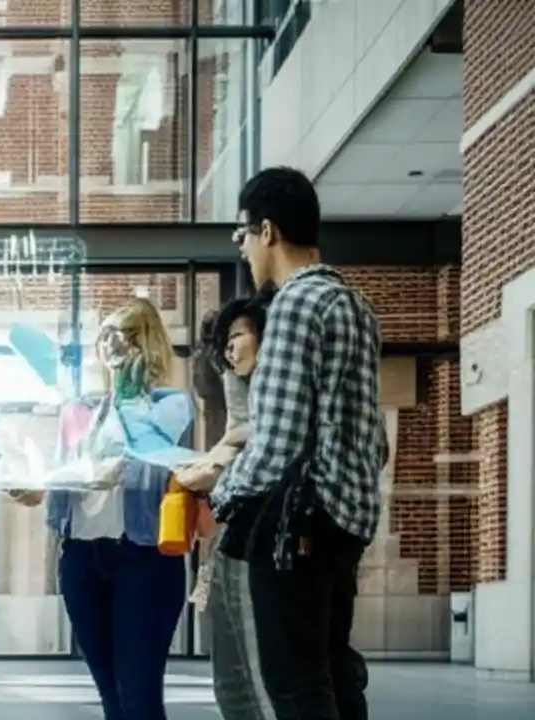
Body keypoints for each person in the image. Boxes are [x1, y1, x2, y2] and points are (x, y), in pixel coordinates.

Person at [209, 167, 386, 720]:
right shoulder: (354, 305)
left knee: (294, 684)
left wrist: (221, 492)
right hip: (346, 523)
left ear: (267, 231)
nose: (243, 250)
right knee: (334, 673)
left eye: (242, 235)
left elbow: (279, 442)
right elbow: (374, 439)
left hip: (297, 526)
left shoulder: (294, 304)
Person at [10, 297, 193, 720]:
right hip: (81, 557)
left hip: (141, 557)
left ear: (147, 343)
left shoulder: (170, 404)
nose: (112, 343)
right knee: (110, 694)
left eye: (126, 334)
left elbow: (139, 449)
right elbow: (69, 474)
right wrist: (38, 486)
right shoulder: (79, 409)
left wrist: (127, 389)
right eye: (106, 334)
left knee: (139, 697)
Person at [174, 289, 274, 613]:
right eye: (224, 343)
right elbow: (236, 434)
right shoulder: (237, 377)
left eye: (236, 337)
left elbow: (252, 440)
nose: (229, 350)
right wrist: (204, 467)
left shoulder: (276, 383)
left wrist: (213, 471)